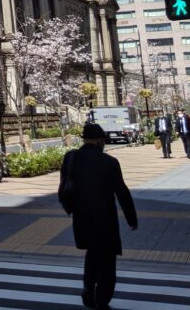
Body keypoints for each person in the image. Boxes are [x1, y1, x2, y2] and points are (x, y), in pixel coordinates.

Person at [58, 123, 138, 310]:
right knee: (107, 260)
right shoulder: (109, 162)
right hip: (105, 218)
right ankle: (102, 300)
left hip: (81, 217)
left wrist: (71, 208)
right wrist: (131, 218)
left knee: (92, 254)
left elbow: (65, 185)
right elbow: (122, 192)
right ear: (99, 140)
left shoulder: (71, 158)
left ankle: (88, 290)